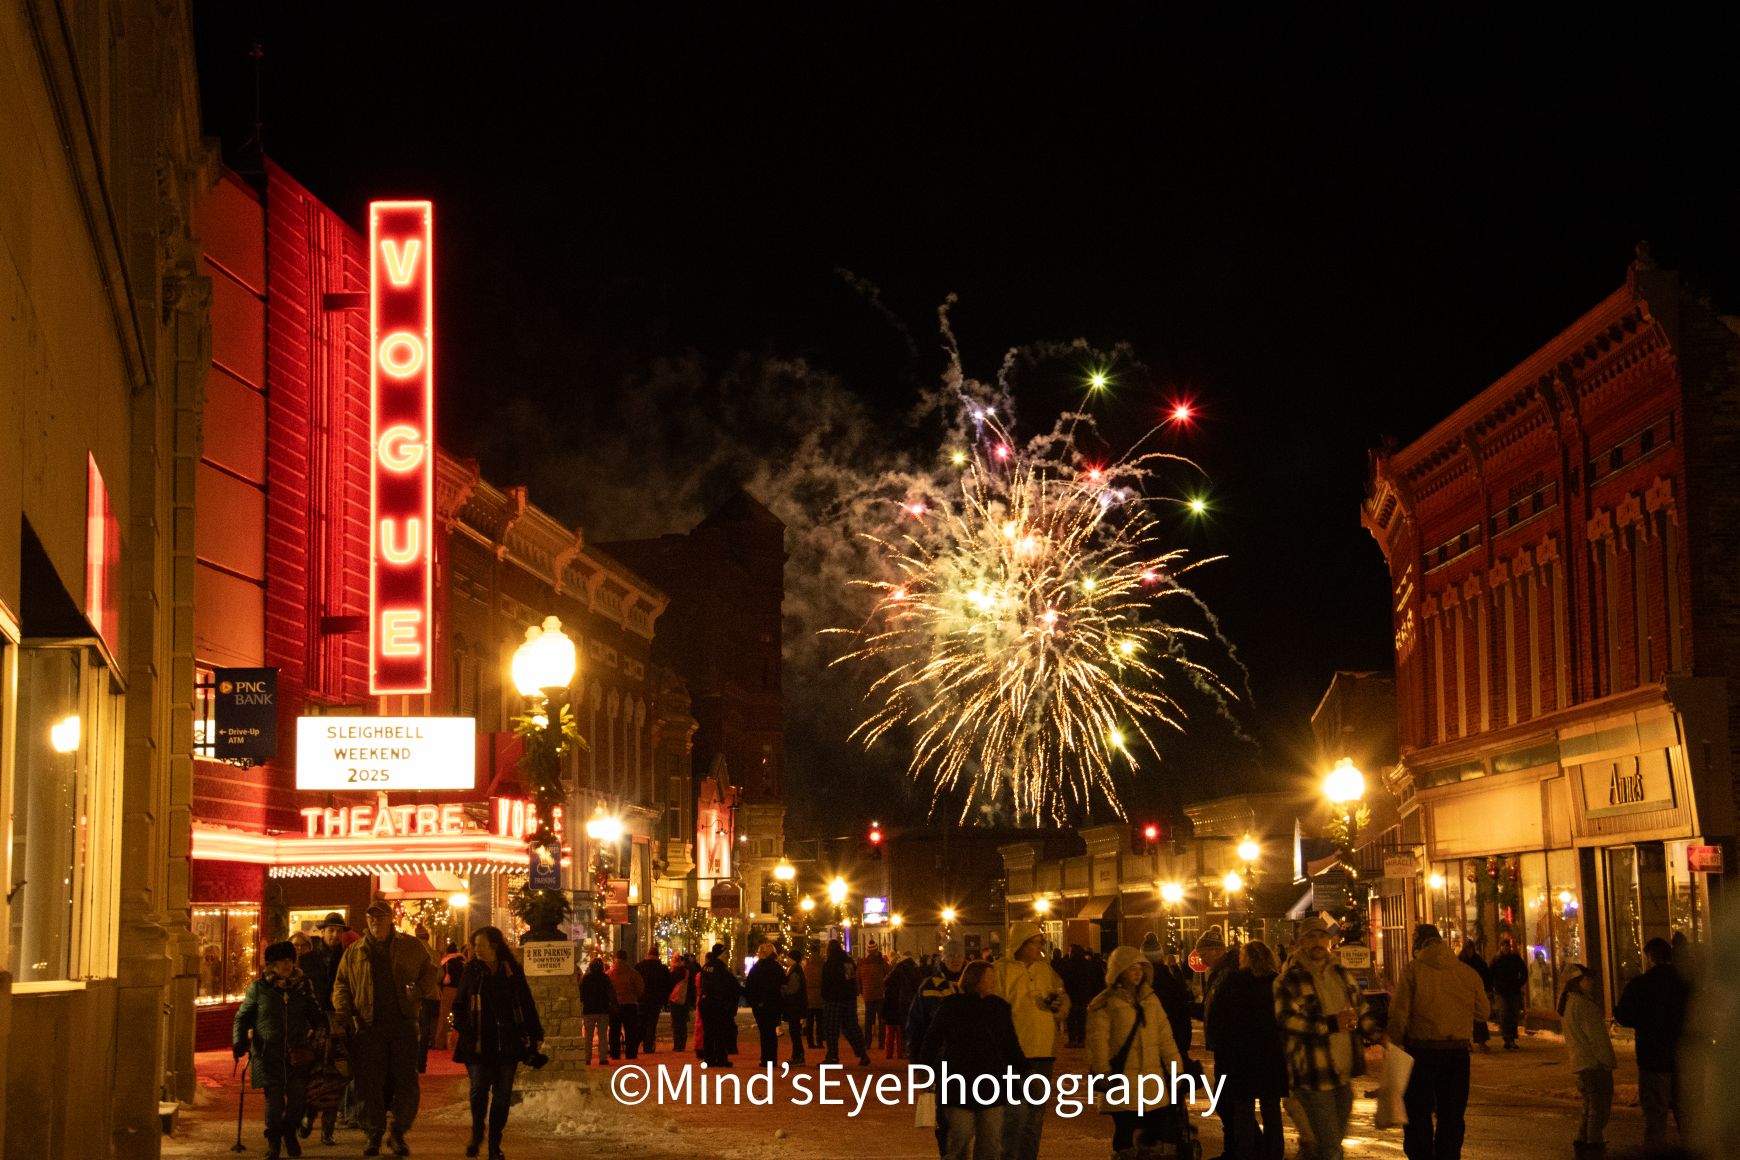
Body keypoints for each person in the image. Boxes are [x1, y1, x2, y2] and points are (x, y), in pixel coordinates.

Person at [333, 901, 440, 1157]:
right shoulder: (355, 951)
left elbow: (431, 971)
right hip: (368, 1027)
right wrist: (344, 1011)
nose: (375, 922)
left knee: (405, 1082)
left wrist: (419, 990)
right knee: (369, 1083)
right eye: (371, 918)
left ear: (390, 919)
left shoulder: (410, 946)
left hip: (403, 1024)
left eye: (380, 918)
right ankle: (373, 1134)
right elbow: (341, 985)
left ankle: (398, 1132)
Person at [1275, 917, 1377, 1160]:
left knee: (1331, 1143)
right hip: (1313, 1075)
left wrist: (1377, 1034)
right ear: (1301, 942)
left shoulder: (1341, 974)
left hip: (1342, 1072)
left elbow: (1360, 1009)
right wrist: (1330, 1024)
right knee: (1331, 1147)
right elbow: (1287, 1021)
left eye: (1322, 936)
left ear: (1329, 941)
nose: (1317, 942)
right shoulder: (1290, 980)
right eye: (1311, 937)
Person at [1385, 923, 1488, 1160]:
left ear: (1418, 944)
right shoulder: (1466, 972)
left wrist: (1393, 1042)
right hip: (1456, 1053)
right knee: (1452, 1114)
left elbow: (1400, 1013)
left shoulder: (1413, 970)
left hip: (1422, 1051)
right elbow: (1483, 1011)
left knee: (1418, 1112)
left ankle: (1421, 1155)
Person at [918, 959, 1026, 1160]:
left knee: (990, 1138)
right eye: (989, 978)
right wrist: (924, 1068)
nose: (994, 982)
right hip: (958, 1081)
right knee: (961, 1133)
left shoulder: (999, 1007)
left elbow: (1010, 1044)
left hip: (992, 1081)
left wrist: (1024, 1070)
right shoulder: (952, 1005)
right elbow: (933, 1037)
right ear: (975, 979)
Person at [451, 926, 543, 1160]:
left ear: (493, 946)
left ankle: (494, 1144)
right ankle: (477, 1132)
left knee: (502, 1097)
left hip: (506, 1043)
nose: (476, 950)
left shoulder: (512, 971)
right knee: (478, 1091)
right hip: (478, 1043)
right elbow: (459, 1004)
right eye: (474, 946)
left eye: (480, 945)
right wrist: (464, 1028)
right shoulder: (471, 971)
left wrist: (535, 1034)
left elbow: (526, 1003)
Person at [1088, 945, 1187, 1158]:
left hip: (1152, 1081)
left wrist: (1176, 1069)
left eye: (1140, 968)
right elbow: (1098, 1041)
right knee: (1125, 1135)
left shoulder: (1151, 1000)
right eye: (1131, 968)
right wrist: (1103, 1071)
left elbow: (1165, 1039)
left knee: (1152, 1138)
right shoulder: (1105, 1003)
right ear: (1119, 971)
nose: (1137, 973)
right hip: (1122, 1081)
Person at [234, 940, 326, 1160]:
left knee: (297, 1101)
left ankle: (289, 1131)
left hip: (297, 1053)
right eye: (280, 961)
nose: (286, 965)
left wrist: (322, 1026)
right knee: (274, 1102)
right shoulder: (259, 988)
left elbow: (315, 1013)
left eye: (289, 960)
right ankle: (274, 1141)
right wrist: (239, 1041)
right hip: (268, 1054)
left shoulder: (303, 986)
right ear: (271, 964)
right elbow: (242, 1017)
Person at [1205, 940, 1287, 1160]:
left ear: (1246, 959)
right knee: (1271, 1111)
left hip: (1241, 1059)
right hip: (1271, 1057)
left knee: (1243, 1111)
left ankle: (1245, 1153)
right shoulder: (1277, 984)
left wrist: (1221, 1047)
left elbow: (1218, 1020)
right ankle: (1273, 1154)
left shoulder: (1233, 983)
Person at [993, 921, 1068, 1160]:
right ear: (1020, 944)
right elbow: (993, 1008)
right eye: (1035, 942)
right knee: (1014, 1115)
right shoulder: (1001, 970)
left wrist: (1058, 1005)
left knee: (1035, 1118)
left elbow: (1062, 998)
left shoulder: (1045, 970)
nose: (1040, 947)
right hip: (1014, 1054)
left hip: (1043, 1052)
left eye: (1041, 942)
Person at [1614, 936, 1691, 1148]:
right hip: (1683, 1056)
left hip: (1653, 1056)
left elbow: (1623, 1015)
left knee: (1655, 1112)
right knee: (1686, 1110)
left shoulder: (1642, 984)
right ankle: (1694, 1147)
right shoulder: (1684, 983)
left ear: (1649, 958)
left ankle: (1655, 1149)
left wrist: (1644, 1021)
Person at [297, 912, 349, 1145]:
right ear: (323, 932)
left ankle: (328, 1128)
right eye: (331, 930)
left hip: (337, 1023)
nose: (335, 935)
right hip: (314, 1023)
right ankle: (308, 1116)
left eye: (338, 931)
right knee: (311, 1072)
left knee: (337, 1076)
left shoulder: (347, 958)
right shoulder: (307, 960)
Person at [1560, 964, 1615, 1160]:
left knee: (1589, 1104)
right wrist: (1607, 1060)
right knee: (1599, 1105)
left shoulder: (1570, 1004)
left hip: (1580, 1061)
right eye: (1587, 979)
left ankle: (1583, 1138)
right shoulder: (1584, 1005)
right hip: (1593, 1063)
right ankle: (1594, 1141)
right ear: (1577, 982)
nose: (1592, 983)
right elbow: (1597, 1038)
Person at [822, 937, 872, 1065]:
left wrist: (825, 997)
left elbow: (827, 983)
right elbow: (851, 980)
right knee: (851, 1027)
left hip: (834, 999)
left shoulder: (830, 963)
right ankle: (862, 1054)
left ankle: (833, 1056)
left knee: (832, 1029)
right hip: (849, 999)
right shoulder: (848, 962)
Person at [698, 943, 742, 1066]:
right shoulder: (720, 968)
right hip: (717, 1003)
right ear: (720, 954)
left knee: (708, 1032)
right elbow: (731, 985)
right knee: (720, 1032)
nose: (727, 956)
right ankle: (721, 1059)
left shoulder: (706, 966)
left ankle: (709, 1059)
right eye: (725, 953)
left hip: (705, 1002)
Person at [745, 941, 787, 1066]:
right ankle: (772, 1058)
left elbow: (750, 986)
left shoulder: (757, 968)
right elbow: (783, 985)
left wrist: (754, 1002)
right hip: (774, 1004)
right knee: (772, 1032)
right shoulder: (777, 967)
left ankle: (765, 1058)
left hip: (760, 1005)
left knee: (764, 1032)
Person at [1489, 934, 1529, 1050]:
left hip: (1513, 991)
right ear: (1500, 947)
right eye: (1503, 946)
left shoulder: (1515, 958)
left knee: (1514, 1014)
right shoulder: (1496, 960)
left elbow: (1524, 972)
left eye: (1507, 946)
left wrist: (1518, 983)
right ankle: (1507, 1038)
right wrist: (1495, 986)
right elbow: (1490, 974)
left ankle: (1511, 1038)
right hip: (1501, 992)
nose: (1505, 948)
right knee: (1504, 1014)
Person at [606, 949, 644, 1061]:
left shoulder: (609, 974)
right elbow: (640, 988)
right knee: (631, 1030)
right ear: (626, 959)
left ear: (615, 959)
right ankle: (631, 1053)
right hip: (630, 1004)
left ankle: (615, 1053)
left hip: (614, 1005)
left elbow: (605, 990)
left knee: (614, 1030)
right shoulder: (633, 973)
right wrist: (635, 996)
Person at [635, 944, 672, 1054]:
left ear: (648, 954)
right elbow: (667, 985)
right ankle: (648, 1045)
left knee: (641, 1022)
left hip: (642, 999)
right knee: (651, 1023)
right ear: (657, 955)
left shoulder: (639, 967)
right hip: (656, 1000)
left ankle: (635, 1045)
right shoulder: (662, 969)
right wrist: (664, 1000)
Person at [1456, 941, 1493, 1051]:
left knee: (1479, 1017)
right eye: (1468, 949)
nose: (1470, 951)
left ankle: (1481, 1041)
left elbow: (1485, 974)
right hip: (1463, 992)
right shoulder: (1460, 961)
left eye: (1471, 949)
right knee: (1464, 1020)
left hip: (1475, 992)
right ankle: (1466, 1041)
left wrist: (1487, 989)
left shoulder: (1478, 961)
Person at [884, 951, 922, 1057]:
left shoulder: (899, 967)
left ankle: (903, 1049)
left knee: (902, 1025)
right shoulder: (916, 968)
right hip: (914, 999)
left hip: (903, 999)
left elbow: (887, 980)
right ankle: (911, 1049)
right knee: (912, 1025)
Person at [579, 956, 614, 1066]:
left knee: (588, 1036)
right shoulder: (605, 978)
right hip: (603, 1010)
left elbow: (582, 994)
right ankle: (603, 1058)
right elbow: (610, 993)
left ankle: (587, 1058)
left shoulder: (586, 979)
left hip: (589, 1010)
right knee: (602, 1035)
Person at [1061, 944, 1095, 1048]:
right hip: (1083, 994)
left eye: (1070, 951)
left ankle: (1072, 1040)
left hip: (1072, 994)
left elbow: (1066, 979)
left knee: (1072, 1018)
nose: (1068, 952)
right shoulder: (1086, 964)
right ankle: (1081, 1039)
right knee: (1082, 1018)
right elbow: (1090, 979)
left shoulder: (1069, 964)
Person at [780, 946, 810, 1064]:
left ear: (793, 959)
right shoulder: (795, 969)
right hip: (795, 1006)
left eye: (788, 958)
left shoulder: (795, 971)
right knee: (794, 1031)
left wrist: (782, 988)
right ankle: (797, 1055)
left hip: (794, 1006)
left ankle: (798, 1056)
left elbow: (792, 989)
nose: (786, 959)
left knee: (794, 1031)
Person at [859, 942, 890, 1048]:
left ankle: (867, 1042)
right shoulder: (881, 962)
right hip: (880, 994)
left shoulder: (862, 963)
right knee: (881, 1019)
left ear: (868, 951)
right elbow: (889, 973)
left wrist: (862, 991)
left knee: (868, 1019)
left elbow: (858, 978)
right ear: (876, 950)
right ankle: (881, 1043)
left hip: (868, 994)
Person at [667, 952, 697, 1053]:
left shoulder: (672, 973)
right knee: (683, 1022)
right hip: (685, 1000)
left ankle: (677, 1045)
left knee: (676, 1023)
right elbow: (691, 987)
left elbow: (669, 987)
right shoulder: (687, 972)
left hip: (674, 1000)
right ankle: (682, 1044)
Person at [803, 944, 827, 1048]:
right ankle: (820, 1041)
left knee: (809, 1021)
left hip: (809, 996)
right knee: (820, 1021)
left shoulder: (807, 966)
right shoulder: (822, 965)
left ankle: (810, 1042)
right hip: (820, 996)